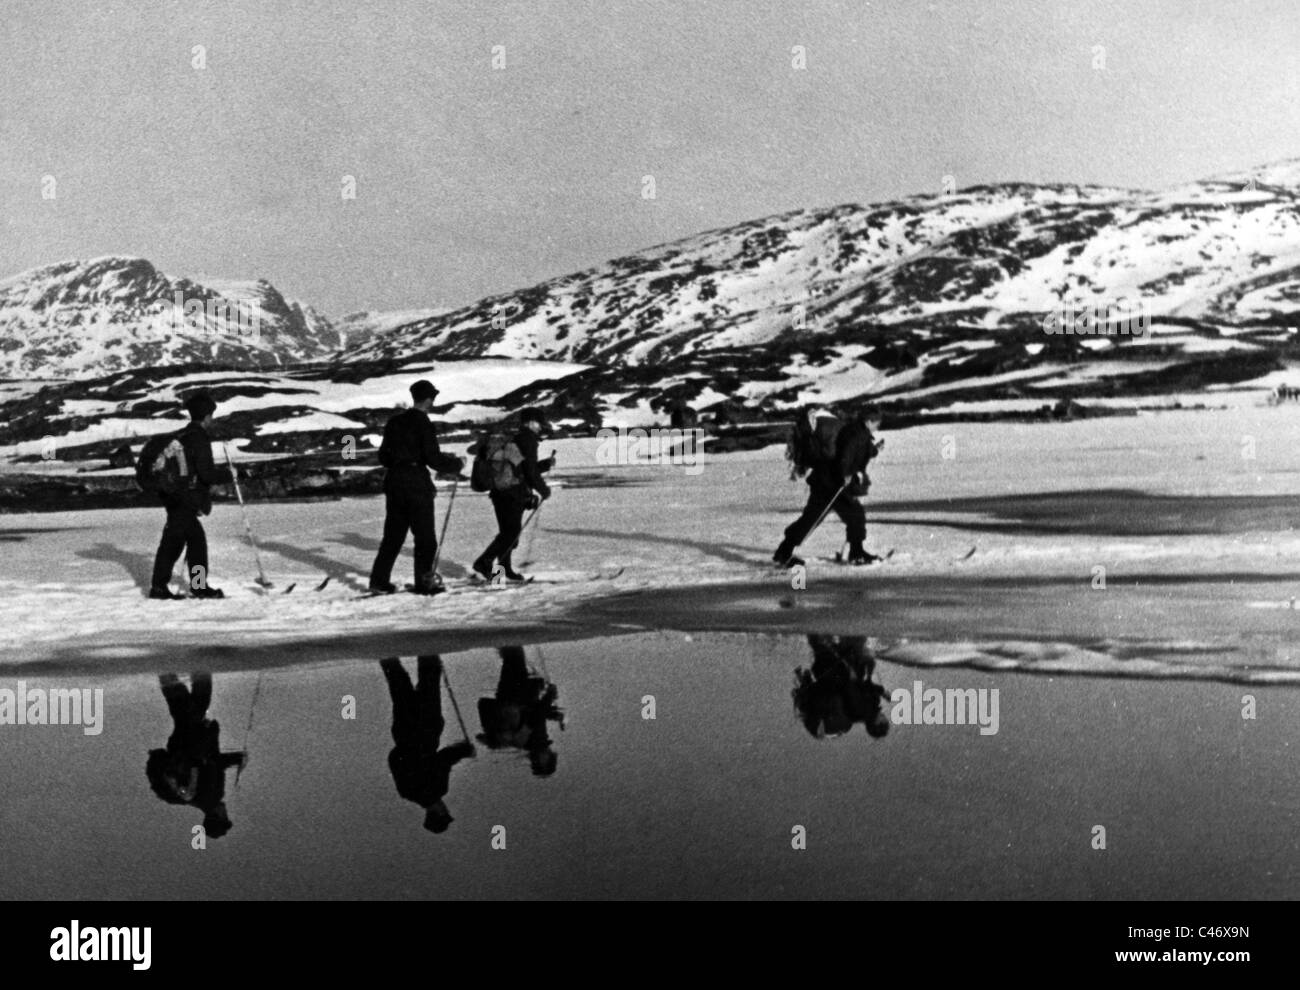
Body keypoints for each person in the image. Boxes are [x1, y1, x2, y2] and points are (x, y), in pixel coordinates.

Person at [368, 380, 464, 595]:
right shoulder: (423, 423)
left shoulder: (394, 422)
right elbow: (433, 459)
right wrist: (456, 465)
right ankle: (424, 583)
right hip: (416, 483)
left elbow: (383, 457)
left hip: (394, 481)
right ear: (429, 399)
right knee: (425, 539)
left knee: (393, 536)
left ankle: (378, 580)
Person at [772, 405, 883, 569]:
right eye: (876, 423)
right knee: (818, 518)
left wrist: (874, 450)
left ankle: (785, 551)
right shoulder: (856, 434)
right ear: (868, 422)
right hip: (831, 483)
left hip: (827, 481)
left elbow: (857, 451)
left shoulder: (857, 432)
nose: (878, 427)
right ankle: (855, 554)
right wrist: (845, 473)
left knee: (844, 516)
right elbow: (846, 454)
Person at [149, 389, 230, 600]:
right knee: (186, 543)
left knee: (179, 542)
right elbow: (206, 473)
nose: (212, 419)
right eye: (211, 415)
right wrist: (229, 474)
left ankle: (169, 586)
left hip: (174, 497)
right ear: (206, 416)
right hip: (185, 499)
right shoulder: (199, 438)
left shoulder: (182, 436)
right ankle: (190, 586)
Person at [145, 672, 247, 838]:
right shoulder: (200, 799)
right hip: (181, 744)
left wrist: (236, 757)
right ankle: (181, 665)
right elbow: (212, 763)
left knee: (188, 702)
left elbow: (210, 762)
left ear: (218, 817)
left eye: (225, 817)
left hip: (190, 740)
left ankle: (169, 664)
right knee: (196, 702)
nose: (226, 813)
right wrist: (236, 758)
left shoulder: (211, 797)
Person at [381, 656, 475, 833]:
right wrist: (405, 748)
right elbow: (393, 758)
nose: (446, 808)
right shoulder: (406, 792)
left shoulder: (438, 789)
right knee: (397, 681)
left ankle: (427, 647)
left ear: (439, 813)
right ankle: (382, 645)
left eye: (444, 812)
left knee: (429, 679)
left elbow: (442, 760)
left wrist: (464, 750)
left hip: (427, 730)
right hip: (403, 732)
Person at [471, 408, 554, 583]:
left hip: (500, 492)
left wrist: (544, 465)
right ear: (531, 422)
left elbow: (521, 468)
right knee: (510, 534)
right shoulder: (528, 440)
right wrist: (543, 489)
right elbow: (529, 471)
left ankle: (504, 571)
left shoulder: (515, 438)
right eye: (539, 423)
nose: (540, 427)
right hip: (512, 493)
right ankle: (483, 563)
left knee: (507, 533)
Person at [475, 645, 563, 776]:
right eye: (545, 760)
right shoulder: (525, 742)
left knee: (514, 654)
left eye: (542, 761)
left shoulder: (536, 742)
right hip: (508, 698)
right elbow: (533, 716)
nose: (543, 757)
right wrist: (552, 714)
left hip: (516, 694)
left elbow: (535, 717)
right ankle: (504, 637)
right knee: (512, 658)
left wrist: (549, 695)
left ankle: (505, 633)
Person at [792, 635, 891, 740]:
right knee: (824, 641)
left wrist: (851, 670)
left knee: (830, 639)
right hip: (834, 669)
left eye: (884, 720)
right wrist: (882, 692)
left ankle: (814, 624)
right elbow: (867, 686)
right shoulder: (870, 707)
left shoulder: (862, 710)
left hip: (835, 669)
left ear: (877, 723)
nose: (885, 717)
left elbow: (850, 688)